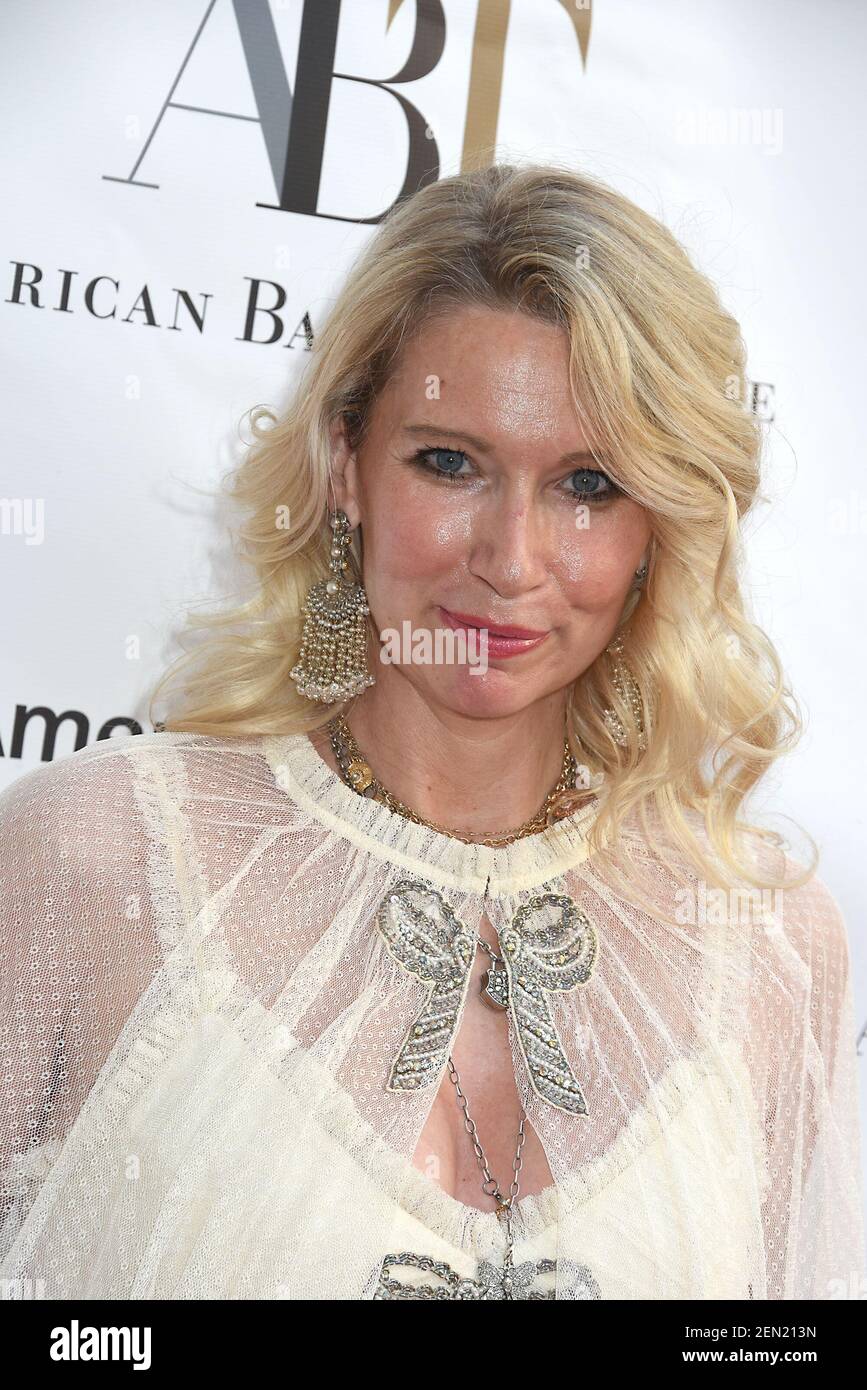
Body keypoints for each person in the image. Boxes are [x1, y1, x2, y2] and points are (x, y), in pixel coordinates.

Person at [1, 162, 863, 1301]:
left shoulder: (766, 942)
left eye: (590, 484)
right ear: (346, 463)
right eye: (449, 462)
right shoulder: (94, 859)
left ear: (660, 525)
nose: (510, 560)